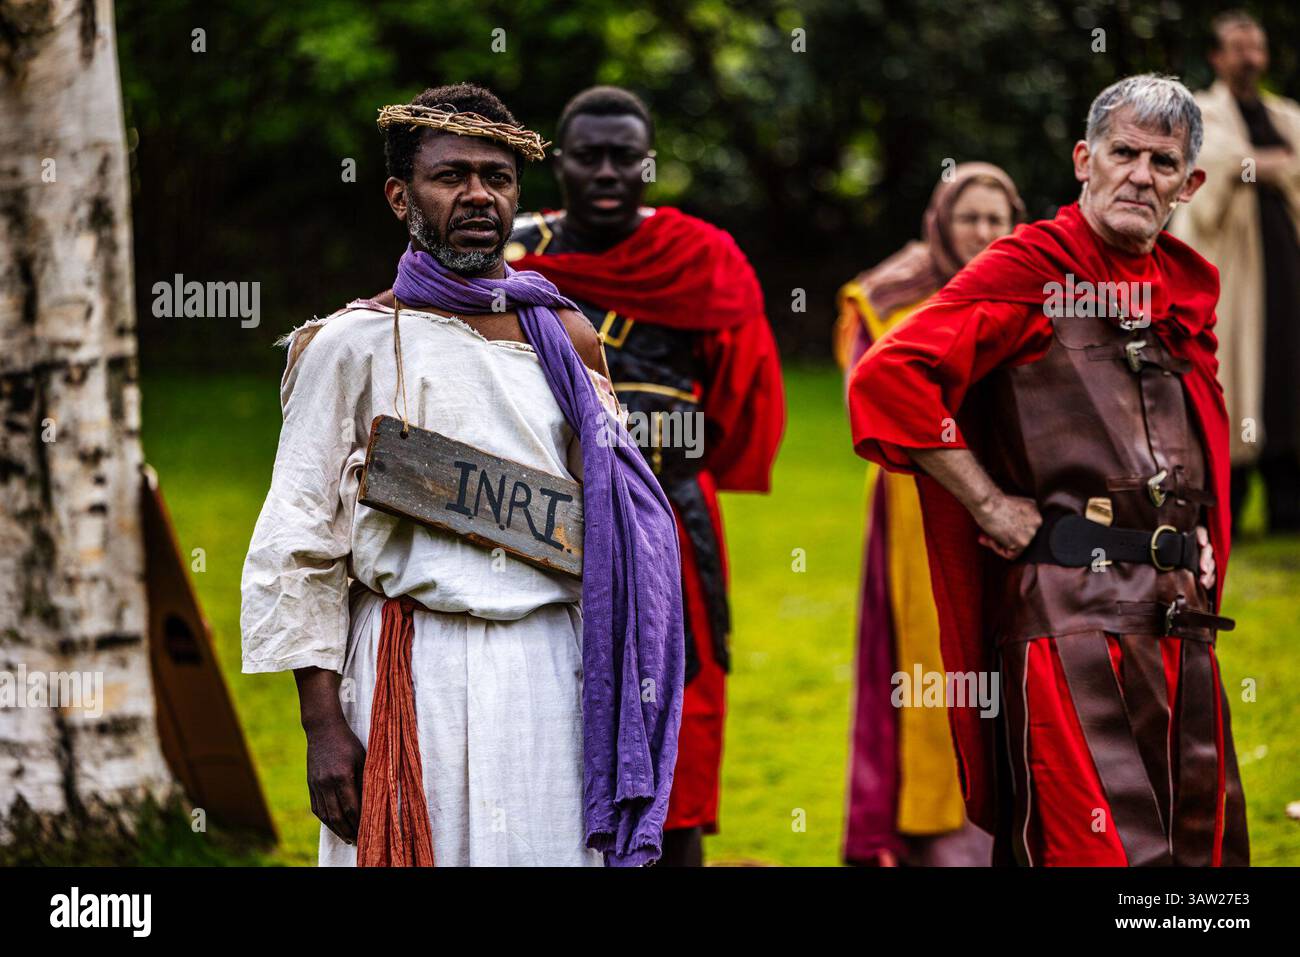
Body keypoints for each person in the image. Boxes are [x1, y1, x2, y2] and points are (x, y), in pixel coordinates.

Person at [240, 83, 685, 867]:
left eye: (499, 177)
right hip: (408, 667)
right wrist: (322, 726)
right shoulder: (348, 346)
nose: (479, 195)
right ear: (398, 195)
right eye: (452, 176)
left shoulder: (568, 338)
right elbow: (299, 540)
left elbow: (612, 523)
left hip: (549, 667)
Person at [848, 74, 1248, 866]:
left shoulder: (1184, 288)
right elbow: (888, 377)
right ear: (1083, 159)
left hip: (1178, 621)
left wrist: (1201, 529)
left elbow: (1191, 430)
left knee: (1199, 864)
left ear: (1189, 184)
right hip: (1068, 618)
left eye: (1162, 162)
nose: (1139, 174)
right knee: (1096, 854)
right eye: (1122, 152)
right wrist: (987, 501)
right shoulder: (1031, 265)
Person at [503, 86, 785, 866]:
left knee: (678, 722)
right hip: (537, 520)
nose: (605, 171)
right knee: (551, 707)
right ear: (557, 162)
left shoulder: (703, 260)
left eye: (624, 156)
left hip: (669, 521)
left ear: (649, 163)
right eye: (587, 155)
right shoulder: (510, 252)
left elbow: (742, 399)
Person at [835, 162, 1024, 866]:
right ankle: (932, 829)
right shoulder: (889, 295)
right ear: (940, 221)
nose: (982, 233)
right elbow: (874, 392)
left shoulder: (1029, 287)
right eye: (969, 218)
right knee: (928, 661)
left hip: (1014, 502)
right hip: (915, 503)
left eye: (996, 220)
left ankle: (1015, 814)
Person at [1169, 10, 1300, 530]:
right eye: (1238, 48)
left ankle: (1288, 507)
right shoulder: (1198, 112)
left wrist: (1257, 163)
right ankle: (1227, 503)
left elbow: (1286, 164)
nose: (1250, 58)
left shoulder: (1287, 113)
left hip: (1286, 269)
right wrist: (1263, 163)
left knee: (1288, 374)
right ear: (1217, 57)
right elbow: (1209, 168)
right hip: (1232, 273)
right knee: (1232, 375)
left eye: (1257, 47)